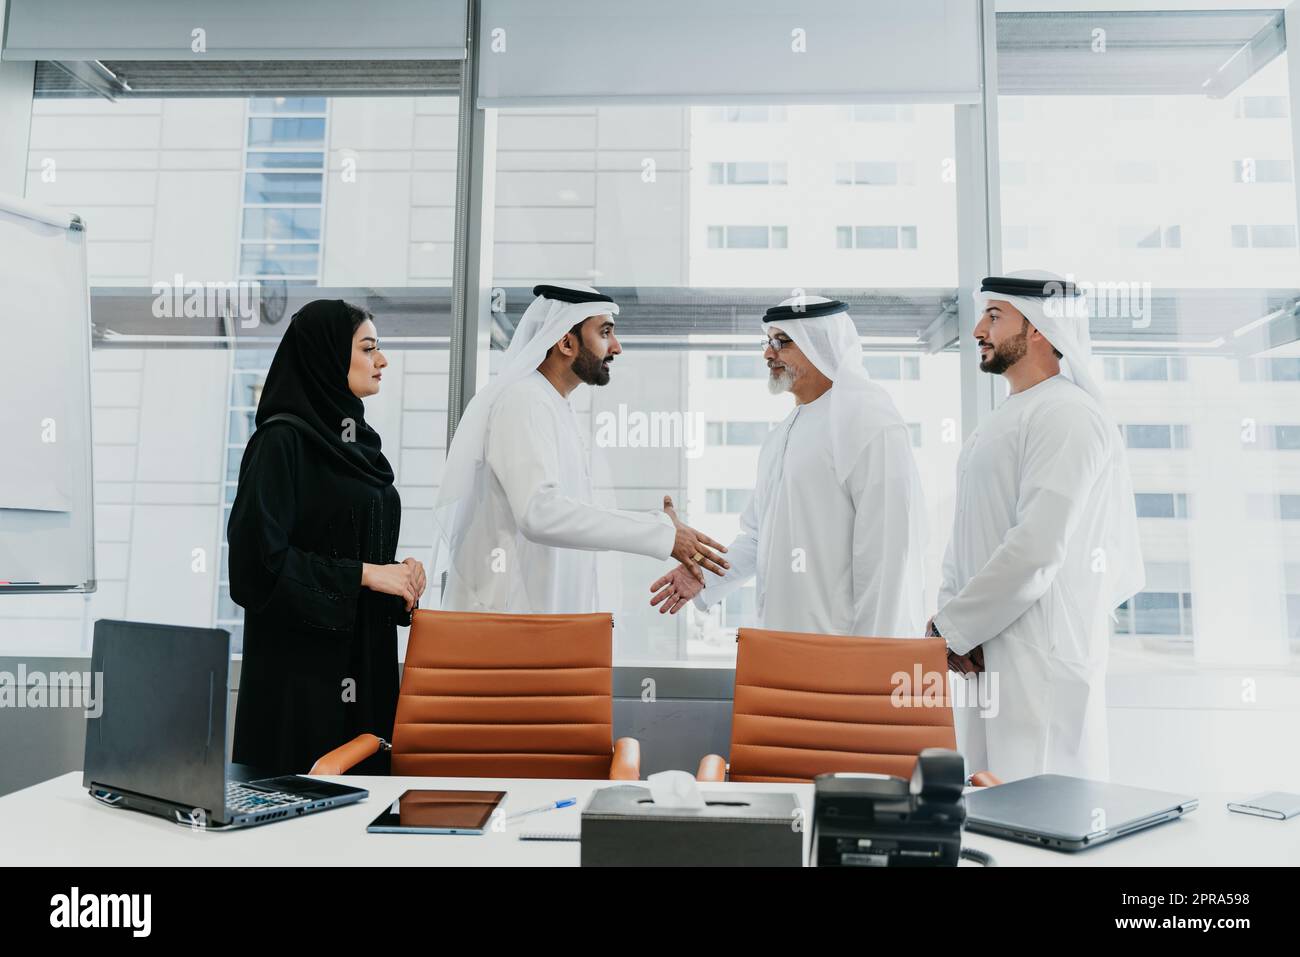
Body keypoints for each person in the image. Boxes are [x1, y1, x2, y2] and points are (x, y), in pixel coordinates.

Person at [930, 270, 1144, 781]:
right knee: (989, 801)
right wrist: (956, 624)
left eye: (995, 316)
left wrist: (955, 628)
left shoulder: (1068, 415)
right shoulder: (1006, 417)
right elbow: (968, 537)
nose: (978, 328)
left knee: (1039, 807)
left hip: (1037, 654)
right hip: (985, 648)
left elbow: (1036, 546)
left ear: (1042, 329)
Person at [435, 283, 727, 613]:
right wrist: (659, 533)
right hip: (504, 621)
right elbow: (539, 513)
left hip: (537, 623)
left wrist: (660, 523)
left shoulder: (554, 405)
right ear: (566, 341)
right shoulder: (524, 401)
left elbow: (575, 511)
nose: (615, 347)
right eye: (605, 333)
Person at [650, 295, 927, 639]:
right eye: (767, 342)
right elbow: (756, 537)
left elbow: (886, 552)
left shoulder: (869, 421)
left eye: (782, 342)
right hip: (782, 641)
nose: (769, 354)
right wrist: (703, 574)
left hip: (845, 648)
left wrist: (867, 658)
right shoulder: (781, 434)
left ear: (820, 343)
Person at [228, 300, 426, 774]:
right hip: (301, 683)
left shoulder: (358, 444)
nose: (382, 360)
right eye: (368, 348)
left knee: (366, 825)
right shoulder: (281, 442)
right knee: (300, 832)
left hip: (368, 666)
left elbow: (341, 543)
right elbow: (255, 568)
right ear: (326, 355)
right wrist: (367, 574)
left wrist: (398, 577)